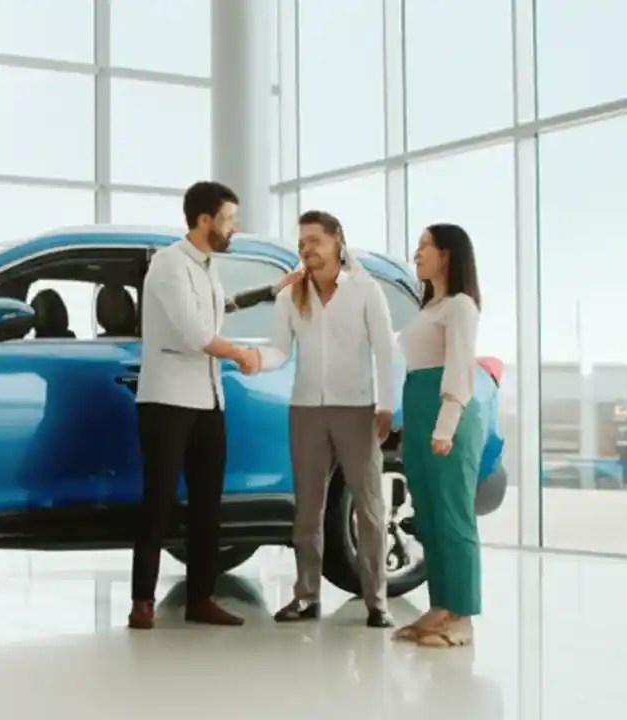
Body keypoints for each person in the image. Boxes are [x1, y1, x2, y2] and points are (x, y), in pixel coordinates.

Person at [128, 181, 263, 630]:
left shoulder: (207, 268)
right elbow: (193, 333)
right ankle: (142, 601)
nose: (234, 228)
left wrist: (271, 290)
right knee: (159, 500)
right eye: (229, 219)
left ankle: (201, 597)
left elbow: (214, 314)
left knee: (209, 503)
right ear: (204, 220)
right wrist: (241, 354)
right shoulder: (169, 265)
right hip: (167, 400)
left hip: (208, 400)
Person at [254, 210, 397, 628]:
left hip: (357, 410)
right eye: (301, 243)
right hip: (306, 411)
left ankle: (377, 602)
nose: (307, 250)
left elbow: (384, 351)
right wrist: (253, 359)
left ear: (337, 240)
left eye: (315, 240)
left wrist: (385, 404)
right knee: (307, 510)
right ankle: (306, 596)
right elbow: (279, 350)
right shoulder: (290, 296)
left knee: (369, 509)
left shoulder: (366, 291)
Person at [393, 223, 482, 648]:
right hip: (419, 408)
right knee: (427, 519)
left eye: (425, 246)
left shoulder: (461, 306)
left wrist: (445, 425)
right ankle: (439, 607)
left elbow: (460, 369)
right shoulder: (430, 307)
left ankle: (461, 615)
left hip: (450, 414)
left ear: (447, 254)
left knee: (452, 517)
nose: (417, 254)